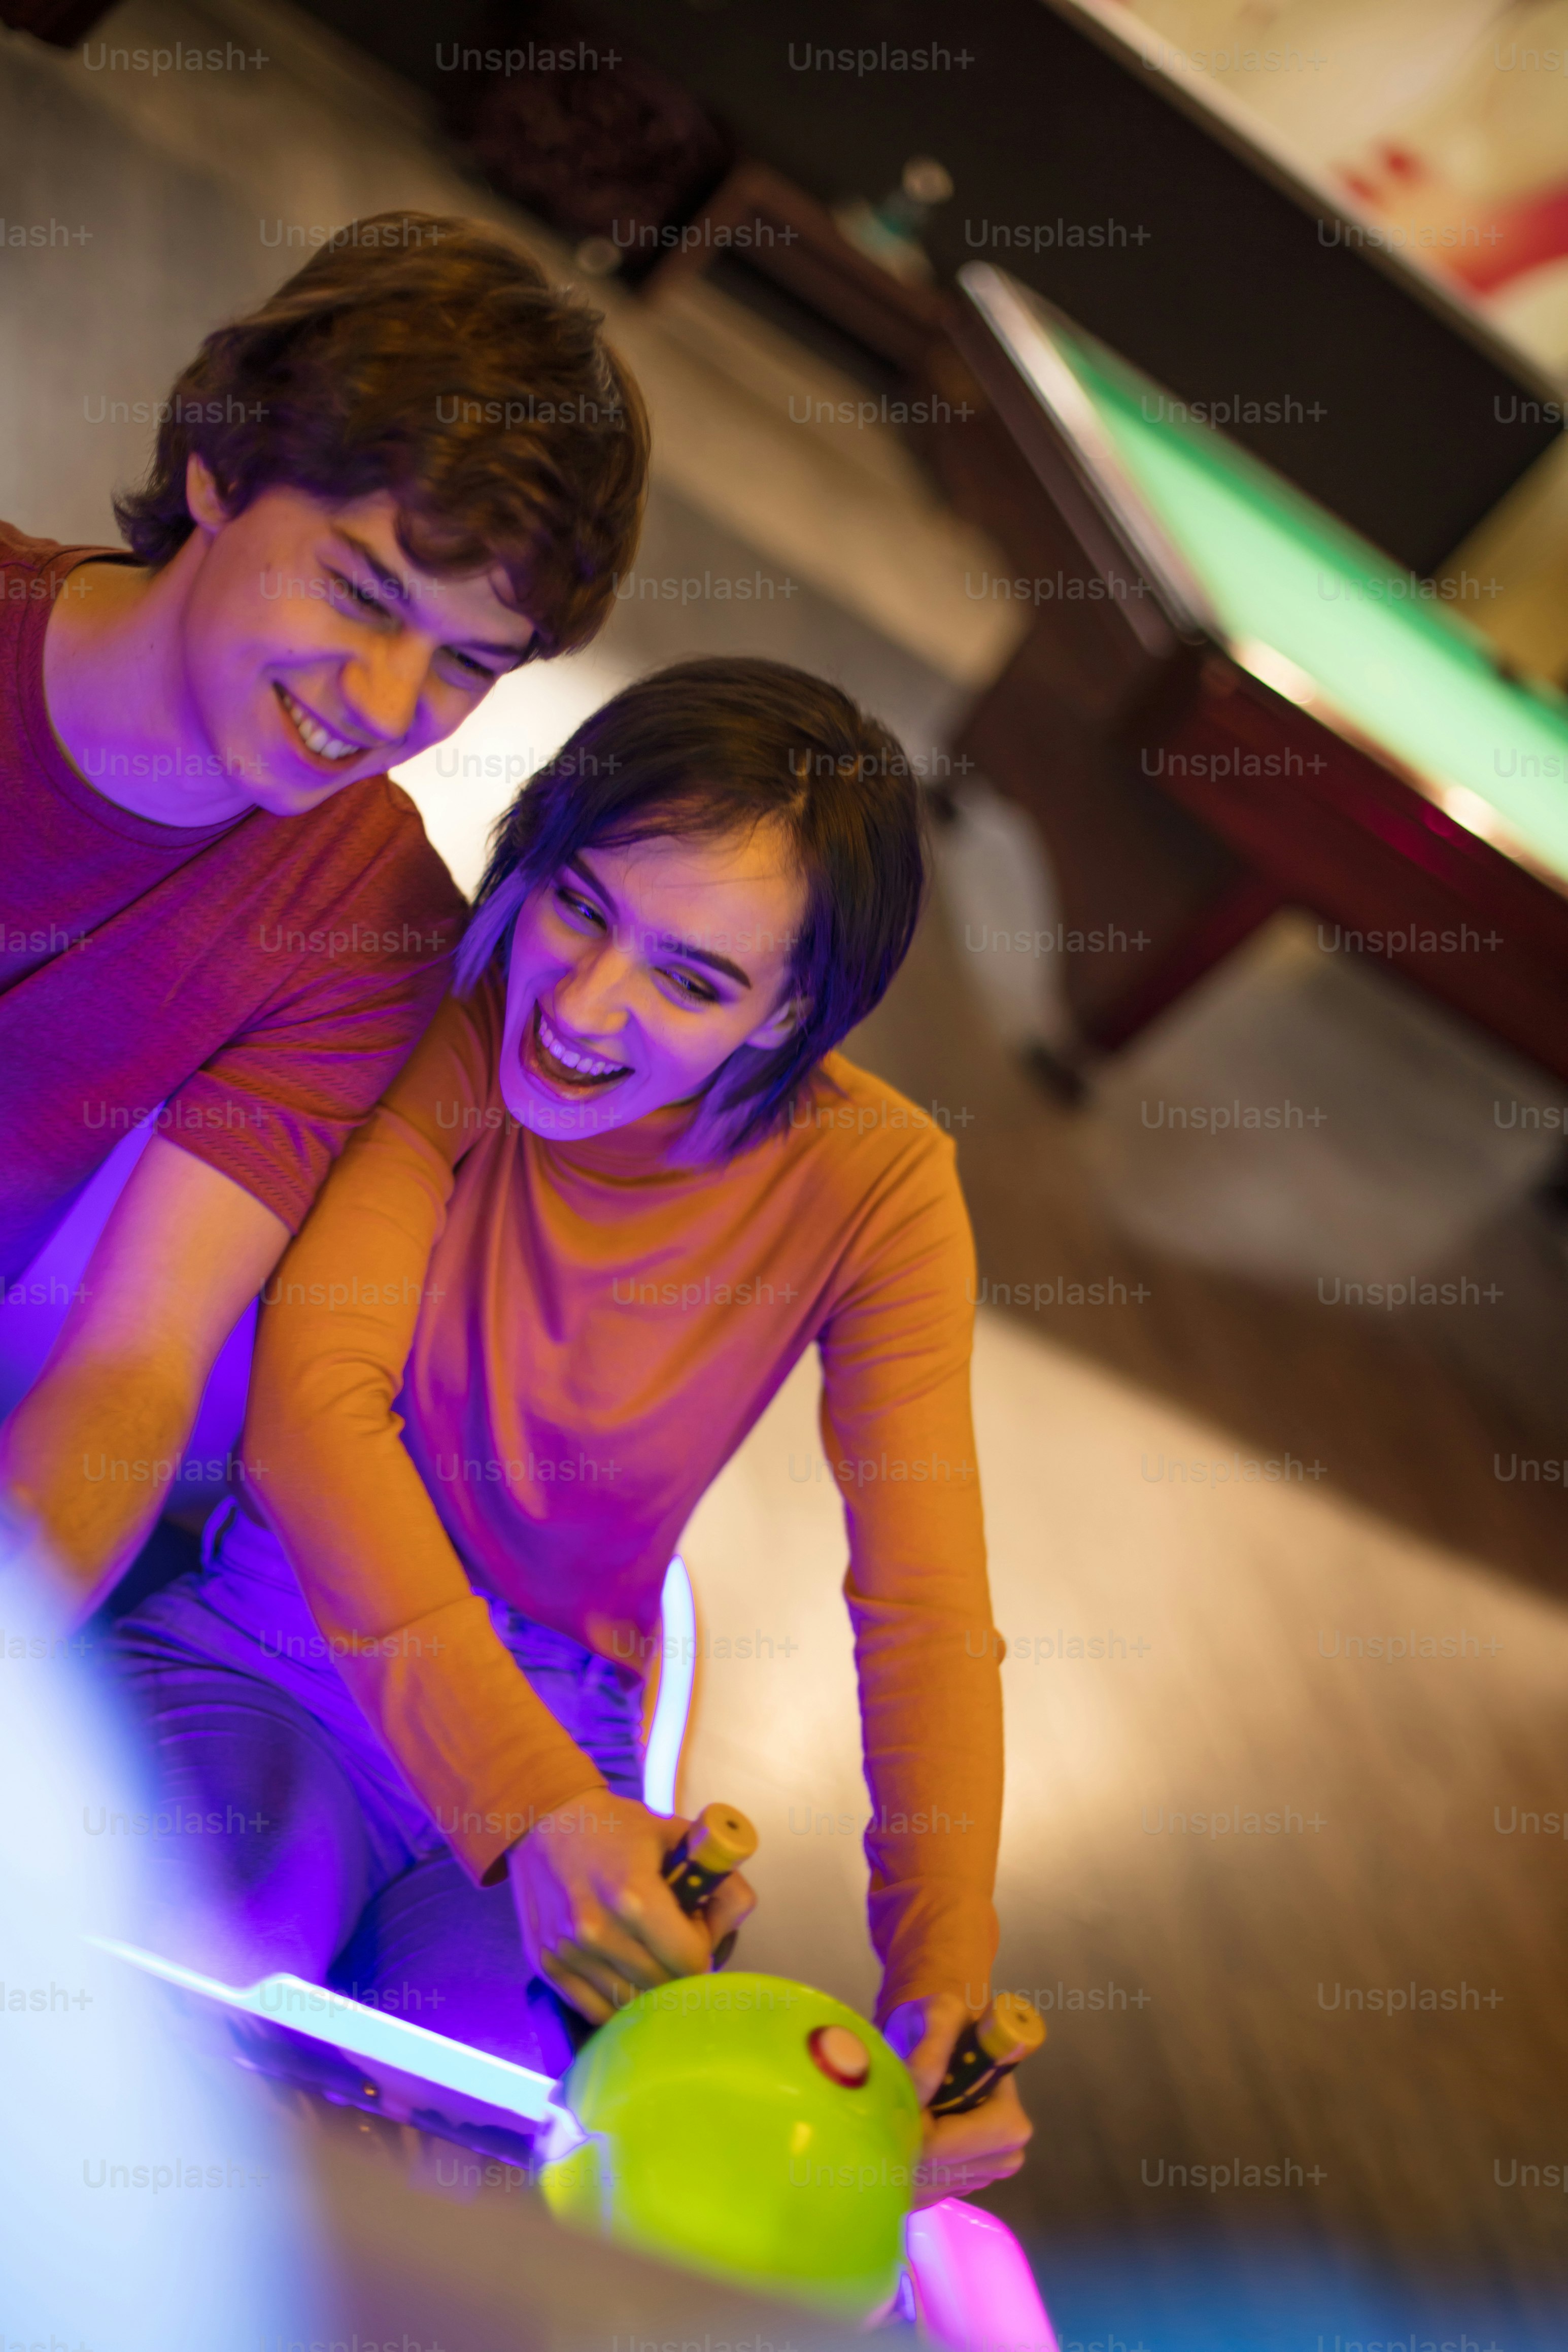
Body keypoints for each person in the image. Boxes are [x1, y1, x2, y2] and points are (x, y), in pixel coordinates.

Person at [107, 658, 1030, 2200]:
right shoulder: (451, 1020)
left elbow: (923, 1614)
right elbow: (312, 1422)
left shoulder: (882, 1185)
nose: (585, 1007)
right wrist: (530, 1807)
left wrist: (939, 1977)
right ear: (538, 856)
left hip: (573, 1728)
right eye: (582, 906)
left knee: (469, 2140)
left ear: (789, 1006)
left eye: (693, 979)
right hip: (273, 1640)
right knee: (186, 1978)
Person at [0, 211, 648, 1612]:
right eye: (359, 592)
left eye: (467, 664)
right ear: (222, 469)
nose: (382, 704)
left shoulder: (376, 923)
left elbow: (134, 1364)